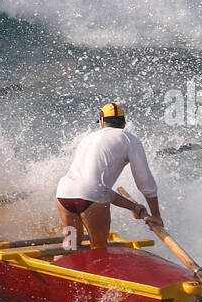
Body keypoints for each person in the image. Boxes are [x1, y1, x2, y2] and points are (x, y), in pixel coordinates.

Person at [54, 102, 163, 250]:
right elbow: (145, 181)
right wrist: (156, 215)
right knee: (99, 249)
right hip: (91, 197)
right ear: (124, 124)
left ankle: (61, 265)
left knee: (71, 244)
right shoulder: (128, 138)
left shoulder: (88, 139)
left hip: (64, 193)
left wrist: (134, 207)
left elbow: (99, 190)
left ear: (101, 123)